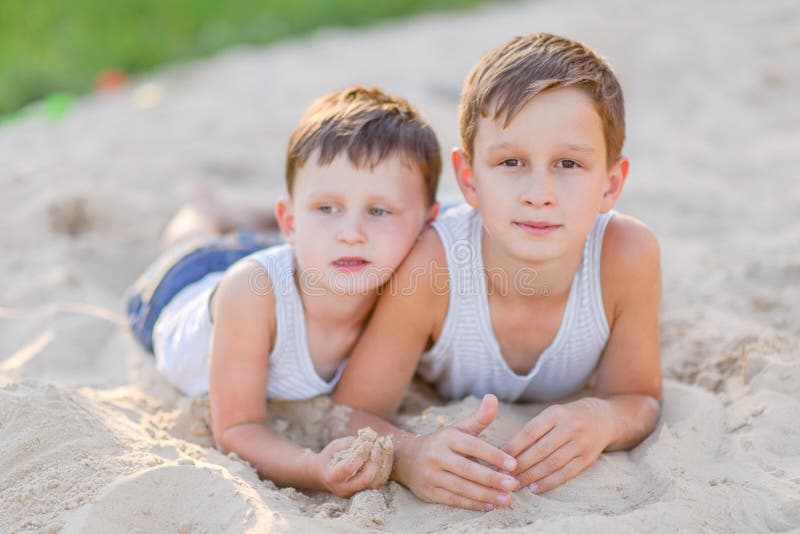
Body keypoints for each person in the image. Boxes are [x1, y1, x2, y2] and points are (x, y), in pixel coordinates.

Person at [330, 33, 663, 511]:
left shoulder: (627, 254)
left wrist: (603, 418)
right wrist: (407, 454)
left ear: (611, 184)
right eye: (511, 162)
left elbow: (639, 397)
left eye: (569, 163)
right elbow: (347, 414)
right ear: (469, 178)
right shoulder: (432, 265)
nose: (539, 193)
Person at [125, 86, 441, 497]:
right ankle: (205, 208)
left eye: (379, 211)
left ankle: (251, 220)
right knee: (188, 241)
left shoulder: (401, 287)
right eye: (327, 207)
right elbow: (237, 429)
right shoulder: (252, 298)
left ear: (425, 224)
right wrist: (312, 467)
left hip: (302, 259)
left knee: (265, 249)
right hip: (185, 287)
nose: (351, 234)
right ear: (290, 221)